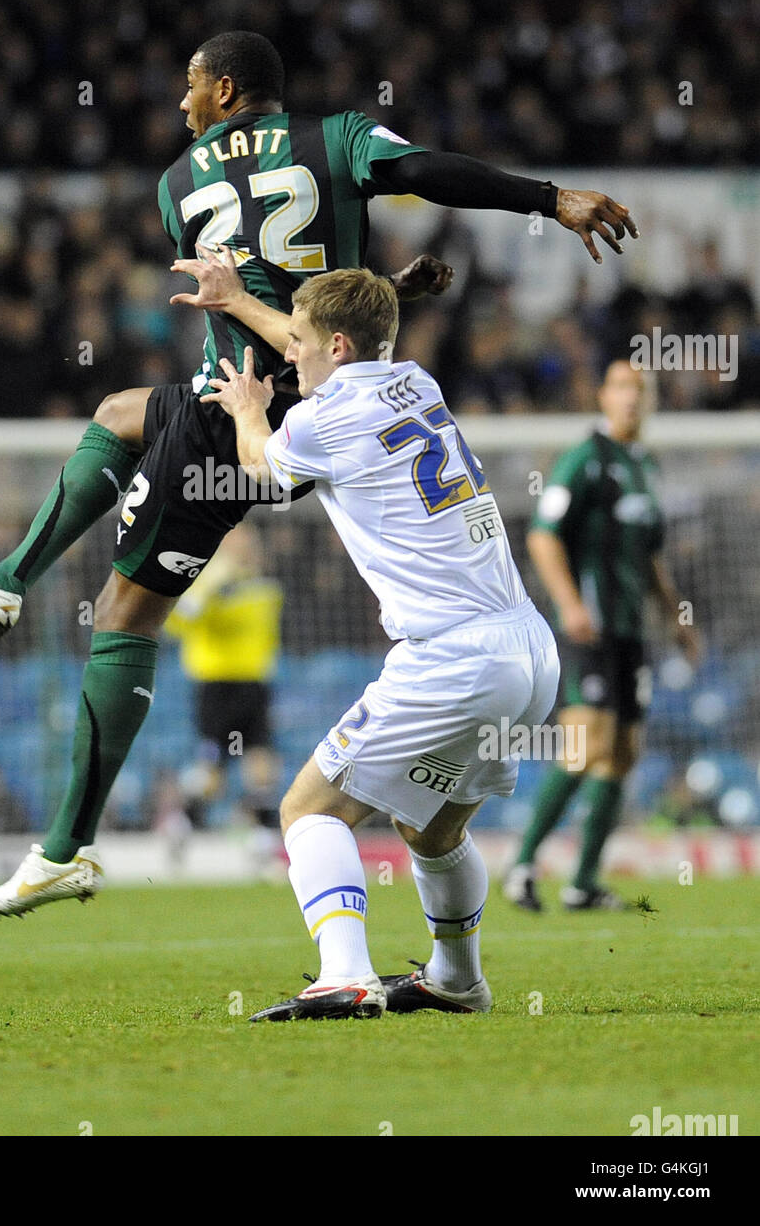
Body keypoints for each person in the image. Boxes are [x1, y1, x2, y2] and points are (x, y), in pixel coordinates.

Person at [0, 30, 636, 915]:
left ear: (225, 90)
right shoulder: (338, 139)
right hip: (332, 392)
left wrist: (260, 350)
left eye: (189, 86)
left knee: (125, 612)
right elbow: (428, 171)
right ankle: (6, 583)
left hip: (245, 412)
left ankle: (64, 848)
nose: (180, 101)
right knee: (120, 413)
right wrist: (547, 199)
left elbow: (264, 290)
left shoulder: (178, 184)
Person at [197, 261, 561, 1020]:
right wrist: (238, 304)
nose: (285, 354)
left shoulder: (318, 422)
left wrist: (246, 408)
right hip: (526, 650)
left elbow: (260, 471)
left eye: (297, 342)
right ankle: (456, 980)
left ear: (333, 343)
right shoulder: (416, 382)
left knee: (308, 811)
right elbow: (328, 343)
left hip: (452, 656)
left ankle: (344, 974)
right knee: (428, 829)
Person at [504, 361, 699, 911]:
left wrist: (677, 617)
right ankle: (521, 867)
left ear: (651, 400)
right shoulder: (585, 459)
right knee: (584, 745)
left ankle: (583, 882)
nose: (631, 398)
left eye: (641, 390)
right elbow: (544, 536)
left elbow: (651, 556)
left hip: (632, 631)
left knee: (623, 752)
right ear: (603, 395)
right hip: (589, 624)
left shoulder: (646, 466)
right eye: (620, 388)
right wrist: (568, 604)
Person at [164, 523, 283, 831]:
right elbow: (176, 624)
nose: (244, 545)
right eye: (236, 539)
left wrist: (225, 587)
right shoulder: (205, 582)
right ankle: (184, 821)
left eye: (248, 539)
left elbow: (260, 620)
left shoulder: (263, 585)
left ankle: (264, 838)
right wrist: (212, 587)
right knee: (212, 771)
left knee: (261, 762)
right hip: (214, 684)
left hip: (253, 682)